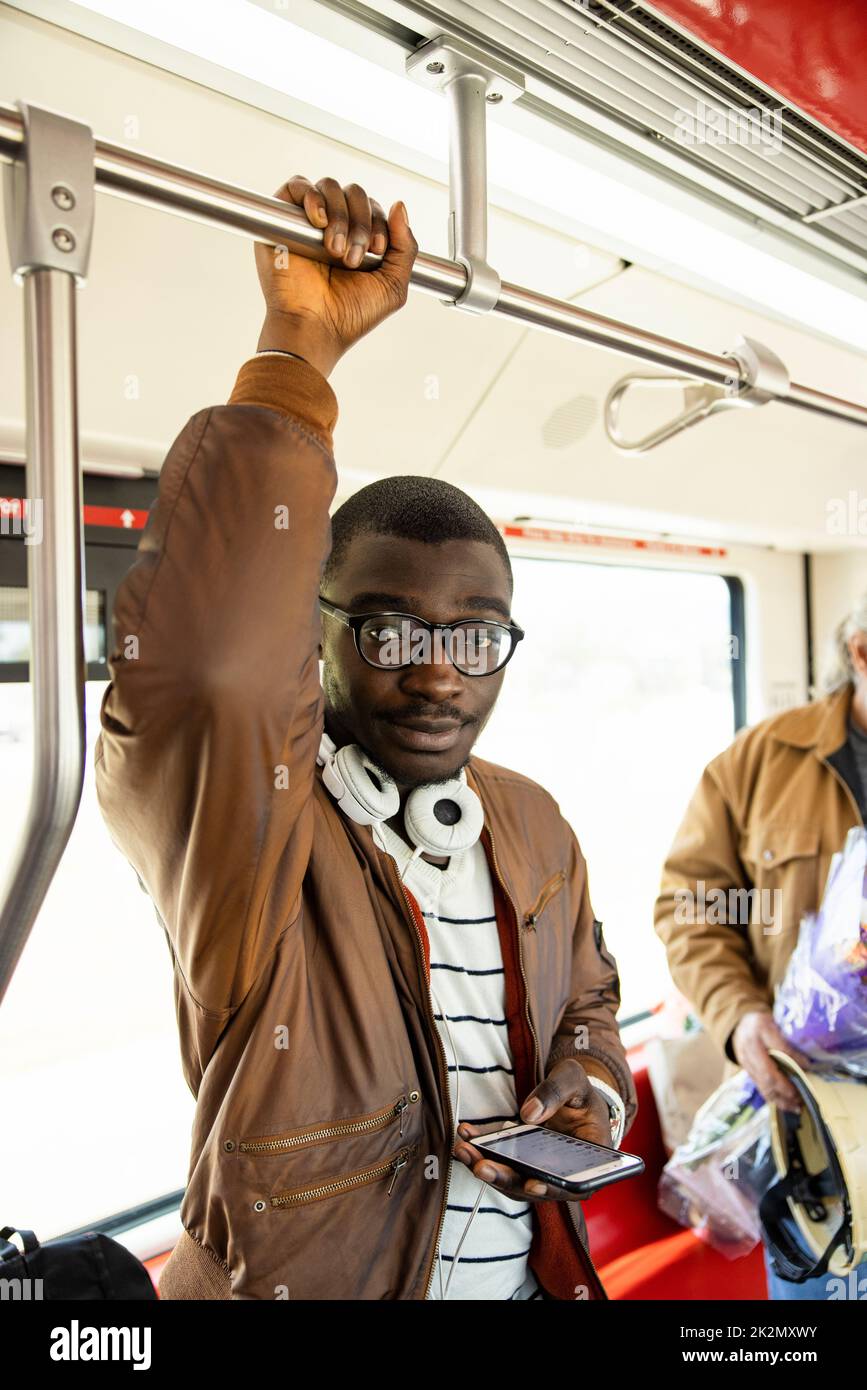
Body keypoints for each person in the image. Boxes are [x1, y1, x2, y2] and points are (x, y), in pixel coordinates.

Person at [95, 175, 637, 1301]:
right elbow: (210, 672)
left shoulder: (533, 822)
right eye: (390, 630)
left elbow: (590, 1000)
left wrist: (592, 1090)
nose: (441, 671)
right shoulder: (255, 832)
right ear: (319, 633)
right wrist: (298, 347)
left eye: (477, 637)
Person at [654, 598, 867, 1300]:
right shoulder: (757, 763)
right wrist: (740, 1017)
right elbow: (691, 908)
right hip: (809, 1126)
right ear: (861, 652)